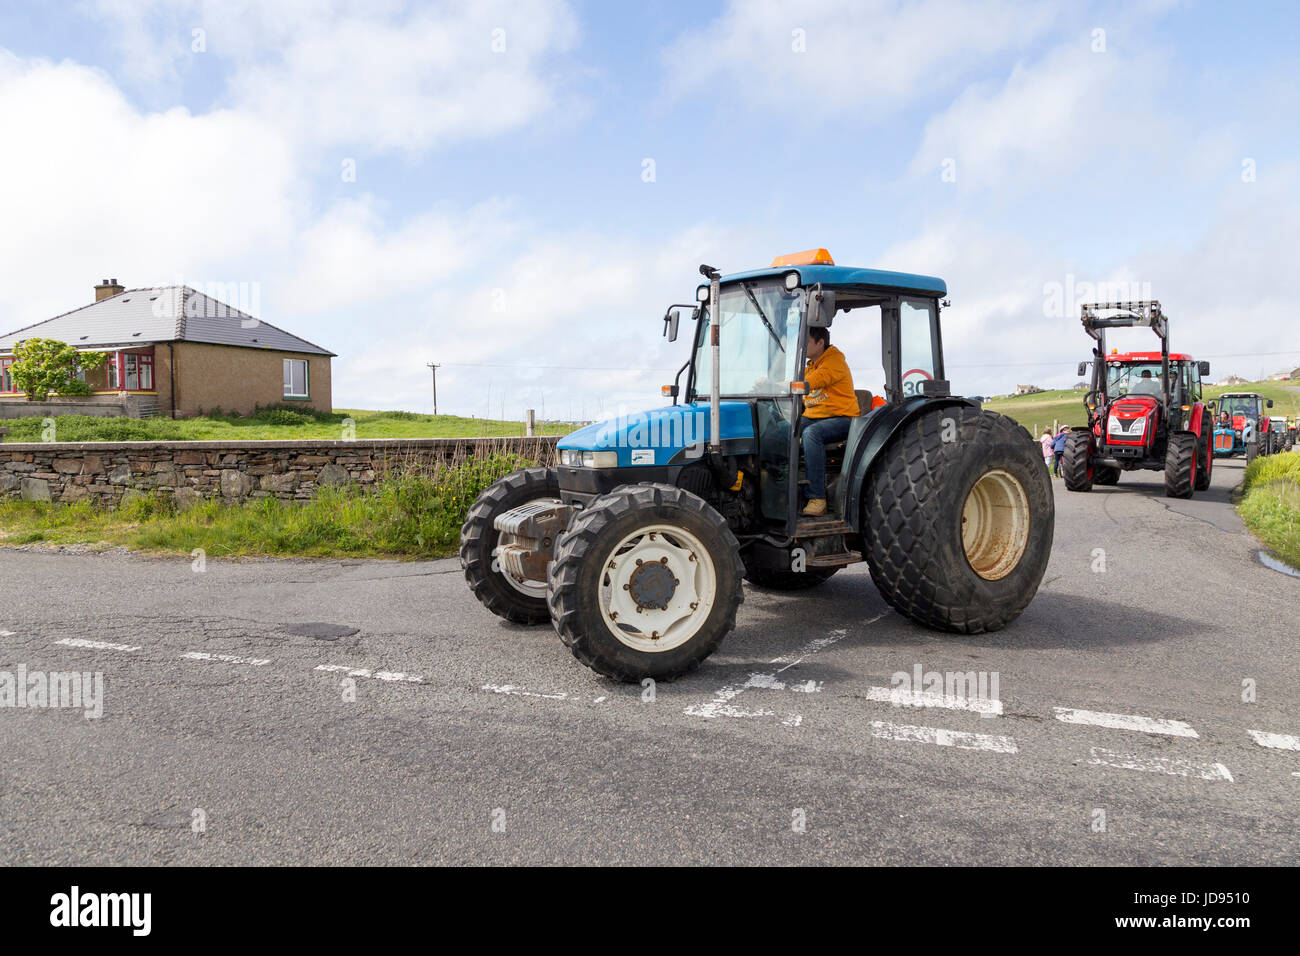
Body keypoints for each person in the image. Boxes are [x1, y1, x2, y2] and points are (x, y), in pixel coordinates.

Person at [794, 326, 857, 515]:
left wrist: (786, 384)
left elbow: (813, 381)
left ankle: (817, 498)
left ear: (820, 343)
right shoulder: (810, 365)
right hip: (814, 417)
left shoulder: (834, 361)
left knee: (811, 434)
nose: (802, 347)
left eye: (806, 342)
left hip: (843, 419)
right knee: (782, 430)